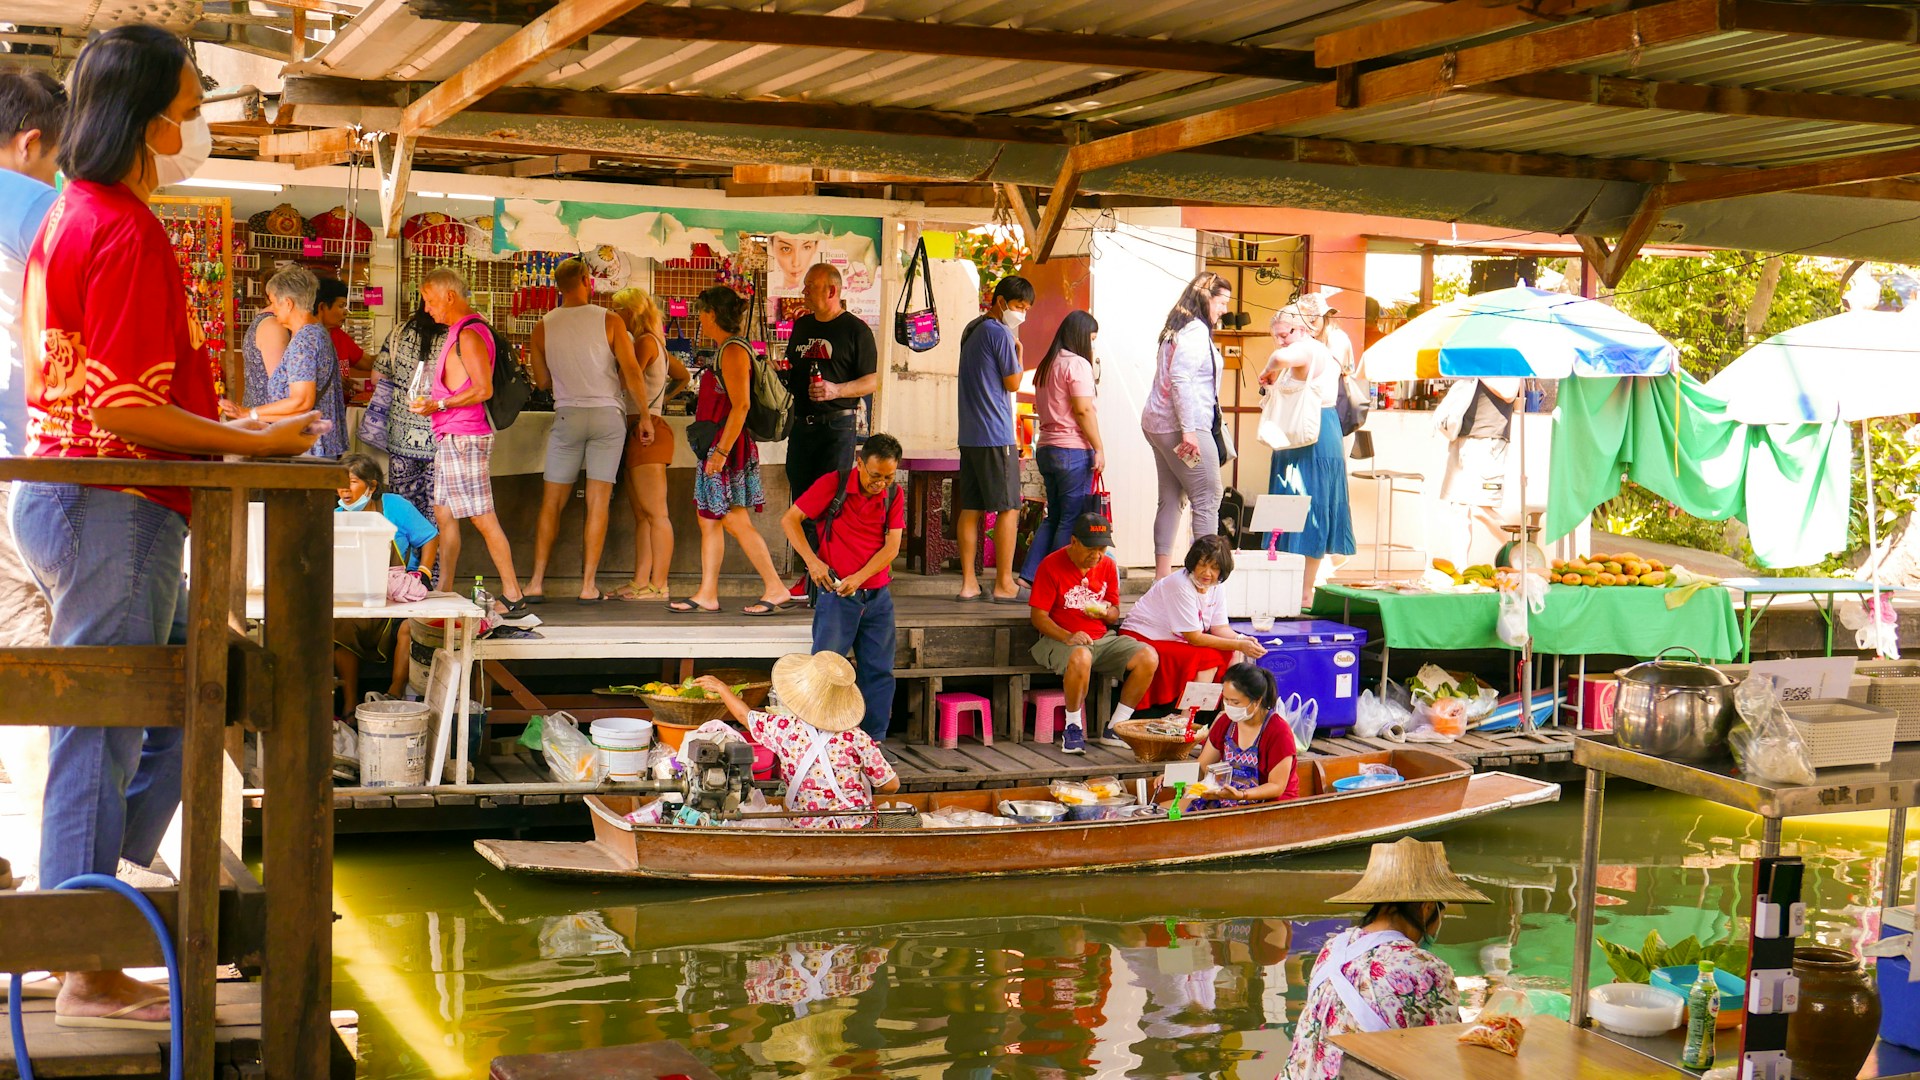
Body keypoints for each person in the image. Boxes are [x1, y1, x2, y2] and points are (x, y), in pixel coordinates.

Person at [13, 23, 318, 1029]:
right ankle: (85, 963)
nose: (193, 132)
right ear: (148, 116)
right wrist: (260, 449)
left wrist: (234, 424)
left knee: (194, 688)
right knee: (96, 730)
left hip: (81, 497)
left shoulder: (71, 212)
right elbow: (118, 410)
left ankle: (99, 886)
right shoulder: (125, 226)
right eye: (189, 113)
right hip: (117, 502)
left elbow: (96, 386)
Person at [0, 65, 66, 904]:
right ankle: (70, 910)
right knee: (41, 677)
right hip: (21, 474)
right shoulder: (42, 213)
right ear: (30, 143)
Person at [1284, 837, 1491, 1079]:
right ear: (1426, 907)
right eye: (1441, 910)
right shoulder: (1429, 968)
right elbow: (1445, 1060)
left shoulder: (1331, 948)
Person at [524, 257, 649, 604]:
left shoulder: (542, 326)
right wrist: (648, 417)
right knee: (597, 503)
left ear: (557, 286)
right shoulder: (609, 320)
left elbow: (543, 381)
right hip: (608, 416)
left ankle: (535, 582)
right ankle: (588, 585)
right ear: (585, 279)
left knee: (552, 503)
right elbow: (633, 373)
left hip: (567, 415)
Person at [408, 266, 529, 618]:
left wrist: (439, 404)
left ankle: (514, 595)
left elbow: (483, 389)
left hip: (465, 435)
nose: (427, 309)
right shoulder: (459, 331)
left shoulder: (471, 334)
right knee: (444, 513)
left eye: (430, 301)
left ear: (449, 296)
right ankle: (444, 589)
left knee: (481, 517)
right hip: (451, 434)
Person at [669, 285, 792, 616]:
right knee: (709, 519)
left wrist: (720, 455)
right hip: (718, 446)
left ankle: (775, 586)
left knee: (732, 518)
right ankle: (708, 593)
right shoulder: (727, 348)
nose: (700, 321)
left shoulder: (734, 351)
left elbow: (741, 406)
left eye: (701, 314)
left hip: (726, 448)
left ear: (711, 314)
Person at [781, 433, 905, 743]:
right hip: (836, 595)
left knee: (879, 672)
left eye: (888, 476)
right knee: (826, 670)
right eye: (875, 475)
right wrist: (813, 562)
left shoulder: (894, 494)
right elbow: (790, 520)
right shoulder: (833, 484)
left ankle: (873, 742)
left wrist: (861, 577)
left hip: (877, 596)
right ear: (860, 464)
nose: (881, 483)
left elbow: (892, 548)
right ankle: (819, 740)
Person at [694, 651, 900, 829]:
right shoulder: (857, 737)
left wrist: (722, 688)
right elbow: (891, 785)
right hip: (856, 825)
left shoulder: (786, 729)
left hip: (805, 825)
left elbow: (744, 717)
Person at [784, 262, 878, 602]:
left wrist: (836, 390)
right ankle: (811, 577)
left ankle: (831, 578)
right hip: (801, 426)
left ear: (832, 291)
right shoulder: (801, 326)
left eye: (810, 286)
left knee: (830, 505)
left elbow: (872, 380)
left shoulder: (856, 330)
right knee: (802, 503)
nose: (803, 291)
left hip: (838, 425)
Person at [1028, 512, 1157, 754]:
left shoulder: (1107, 565)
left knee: (1148, 656)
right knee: (1081, 656)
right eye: (1091, 549)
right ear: (1074, 541)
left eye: (1102, 549)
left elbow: (1115, 610)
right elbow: (1038, 617)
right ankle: (1073, 727)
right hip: (1059, 639)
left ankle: (1117, 726)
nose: (1096, 556)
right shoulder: (1050, 565)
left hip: (1101, 638)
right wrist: (1067, 636)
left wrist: (1107, 613)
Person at [1261, 304, 1355, 609]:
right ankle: (1294, 589)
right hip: (1301, 437)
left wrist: (1268, 370)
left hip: (1313, 439)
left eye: (1284, 334)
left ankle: (1303, 592)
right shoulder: (1313, 350)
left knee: (1308, 510)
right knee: (1290, 510)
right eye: (1276, 336)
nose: (1280, 341)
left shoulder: (1305, 349)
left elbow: (1278, 358)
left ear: (1301, 328)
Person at [1142, 272, 1233, 579]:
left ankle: (1162, 579)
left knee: (1170, 498)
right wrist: (1190, 431)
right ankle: (1204, 577)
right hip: (1183, 427)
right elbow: (1181, 380)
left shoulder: (1174, 328)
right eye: (1221, 302)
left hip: (1157, 425)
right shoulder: (1195, 330)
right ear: (1206, 297)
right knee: (1208, 497)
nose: (1223, 310)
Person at [331, 454, 436, 708]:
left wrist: (423, 572)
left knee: (408, 628)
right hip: (359, 595)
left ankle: (394, 692)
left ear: (372, 485)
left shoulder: (394, 506)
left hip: (399, 594)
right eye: (339, 482)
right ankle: (348, 705)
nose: (344, 490)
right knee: (338, 629)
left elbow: (430, 538)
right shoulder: (337, 516)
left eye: (353, 482)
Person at [955, 274, 1034, 604]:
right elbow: (1014, 383)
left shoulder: (971, 330)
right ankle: (1004, 583)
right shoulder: (1000, 333)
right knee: (1009, 508)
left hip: (970, 434)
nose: (1022, 313)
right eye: (1018, 306)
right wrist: (1019, 352)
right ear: (1000, 301)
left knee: (970, 507)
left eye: (1027, 308)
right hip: (996, 434)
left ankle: (969, 584)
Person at [606, 286, 687, 602]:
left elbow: (628, 377)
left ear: (630, 312)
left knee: (656, 513)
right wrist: (663, 399)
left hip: (646, 429)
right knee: (643, 515)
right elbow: (683, 376)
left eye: (617, 309)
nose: (614, 315)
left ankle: (659, 584)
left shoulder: (642, 342)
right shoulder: (657, 344)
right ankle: (642, 581)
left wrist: (652, 408)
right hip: (643, 427)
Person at [1119, 535, 1266, 708]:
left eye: (1215, 567)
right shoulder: (1180, 584)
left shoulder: (1216, 586)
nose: (1207, 572)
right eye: (1202, 564)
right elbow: (1194, 638)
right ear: (1193, 562)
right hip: (1143, 635)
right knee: (1208, 658)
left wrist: (1241, 640)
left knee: (1233, 653)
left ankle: (1225, 716)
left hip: (1176, 638)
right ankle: (1186, 720)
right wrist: (1238, 644)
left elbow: (1220, 628)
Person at [1018, 309, 1106, 588]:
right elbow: (1082, 410)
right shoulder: (1078, 364)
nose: (1092, 345)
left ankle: (1029, 576)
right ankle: (1057, 581)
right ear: (1081, 336)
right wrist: (1099, 447)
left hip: (1046, 448)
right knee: (1070, 519)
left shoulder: (1048, 364)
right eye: (1091, 338)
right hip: (1072, 450)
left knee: (1054, 516)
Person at [224, 265, 346, 457]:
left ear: (288, 303)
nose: (272, 309)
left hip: (310, 447)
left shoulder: (305, 340)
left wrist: (249, 413)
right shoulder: (316, 332)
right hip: (317, 442)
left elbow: (301, 401)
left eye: (274, 302)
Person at [1182, 665, 1297, 811]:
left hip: (1270, 806)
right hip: (1226, 799)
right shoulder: (1226, 722)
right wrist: (1174, 778)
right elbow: (1201, 766)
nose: (1229, 706)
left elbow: (1276, 786)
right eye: (1226, 700)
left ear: (1257, 701)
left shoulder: (1278, 731)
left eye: (1235, 702)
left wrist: (1242, 795)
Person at [367, 307, 446, 517]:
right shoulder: (454, 336)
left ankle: (404, 550)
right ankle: (433, 550)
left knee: (402, 509)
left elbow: (377, 377)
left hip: (401, 437)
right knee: (438, 510)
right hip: (440, 436)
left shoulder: (399, 332)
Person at [1439, 377, 1521, 566]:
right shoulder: (1476, 355)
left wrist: (1480, 371)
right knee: (1459, 509)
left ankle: (1521, 551)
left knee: (1479, 508)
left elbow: (1510, 393)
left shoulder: (1507, 357)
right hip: (1461, 436)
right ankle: (1459, 570)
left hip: (1488, 439)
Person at [315, 275, 365, 380]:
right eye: (341, 306)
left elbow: (366, 362)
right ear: (322, 307)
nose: (346, 312)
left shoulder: (338, 335)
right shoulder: (307, 341)